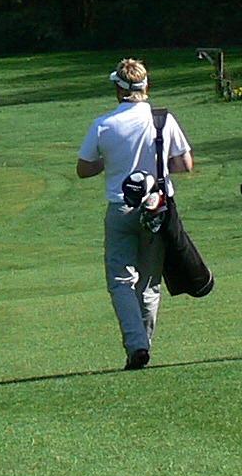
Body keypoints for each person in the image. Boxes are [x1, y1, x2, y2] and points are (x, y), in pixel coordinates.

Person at [77, 58, 194, 370]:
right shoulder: (163, 120)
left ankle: (136, 345)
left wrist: (111, 162)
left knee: (120, 281)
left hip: (121, 207)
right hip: (158, 207)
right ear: (146, 86)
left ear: (119, 89)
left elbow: (84, 168)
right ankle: (144, 344)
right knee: (149, 283)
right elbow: (184, 164)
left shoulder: (104, 124)